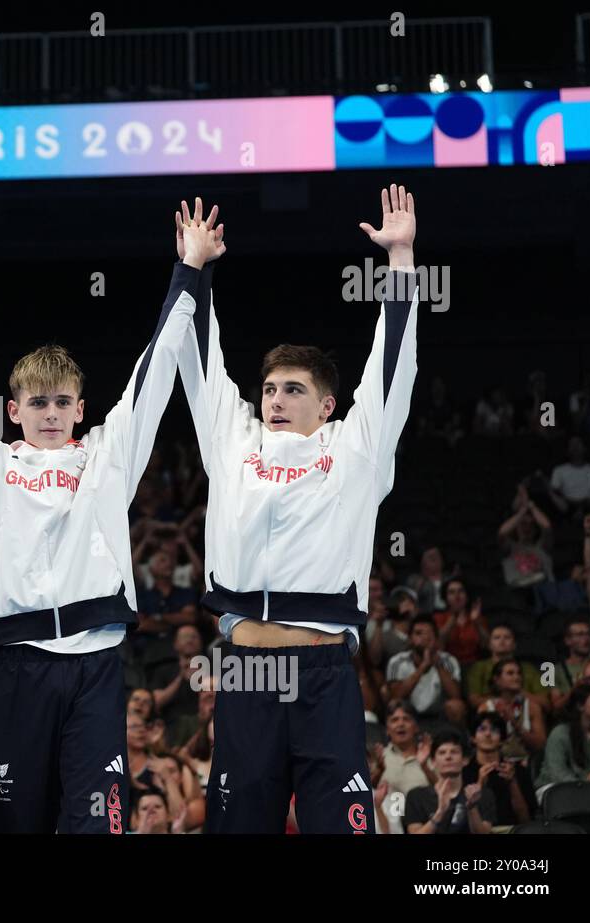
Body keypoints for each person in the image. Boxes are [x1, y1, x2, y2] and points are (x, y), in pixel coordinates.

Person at [0, 220, 199, 835]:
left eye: (63, 402)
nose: (51, 414)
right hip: (14, 666)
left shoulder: (107, 457)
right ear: (13, 411)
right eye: (38, 403)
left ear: (81, 409)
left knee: (98, 823)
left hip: (94, 662)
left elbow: (158, 367)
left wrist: (190, 270)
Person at [172, 187, 421, 834]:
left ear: (328, 405)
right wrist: (194, 269)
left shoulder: (354, 451)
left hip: (323, 671)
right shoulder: (235, 443)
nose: (276, 399)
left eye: (293, 389)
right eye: (269, 388)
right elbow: (198, 363)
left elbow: (393, 365)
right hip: (247, 671)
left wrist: (401, 260)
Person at [402, 731, 495, 834]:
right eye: (442, 753)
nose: (448, 757)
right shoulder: (416, 796)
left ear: (465, 760)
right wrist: (440, 812)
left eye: (454, 752)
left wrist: (472, 807)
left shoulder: (482, 795)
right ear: (433, 762)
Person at [384, 616, 467, 727]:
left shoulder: (448, 660)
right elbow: (396, 695)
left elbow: (456, 695)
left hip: (440, 713)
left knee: (457, 706)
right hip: (407, 712)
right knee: (393, 703)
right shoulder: (397, 662)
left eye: (429, 634)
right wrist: (423, 666)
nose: (424, 638)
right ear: (410, 638)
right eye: (418, 633)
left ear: (436, 638)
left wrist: (436, 663)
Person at [464, 712, 534, 827]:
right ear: (473, 738)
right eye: (482, 729)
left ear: (503, 740)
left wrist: (512, 782)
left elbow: (526, 819)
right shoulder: (464, 773)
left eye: (494, 730)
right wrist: (480, 783)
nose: (488, 734)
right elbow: (463, 820)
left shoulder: (519, 771)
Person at [536, 684, 590, 797]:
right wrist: (586, 785)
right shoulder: (561, 733)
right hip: (554, 788)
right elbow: (557, 774)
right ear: (580, 706)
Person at [477, 659, 546, 759]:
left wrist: (514, 723)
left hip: (527, 763)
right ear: (497, 679)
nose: (517, 677)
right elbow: (482, 743)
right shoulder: (486, 708)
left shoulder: (532, 707)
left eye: (519, 673)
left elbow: (540, 745)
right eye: (510, 673)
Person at [432, 578, 488, 665]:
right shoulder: (438, 618)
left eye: (461, 591)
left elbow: (486, 645)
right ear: (445, 598)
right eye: (451, 592)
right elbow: (438, 643)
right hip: (447, 664)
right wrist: (453, 617)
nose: (457, 596)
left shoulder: (478, 618)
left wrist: (476, 622)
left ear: (467, 596)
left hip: (473, 664)